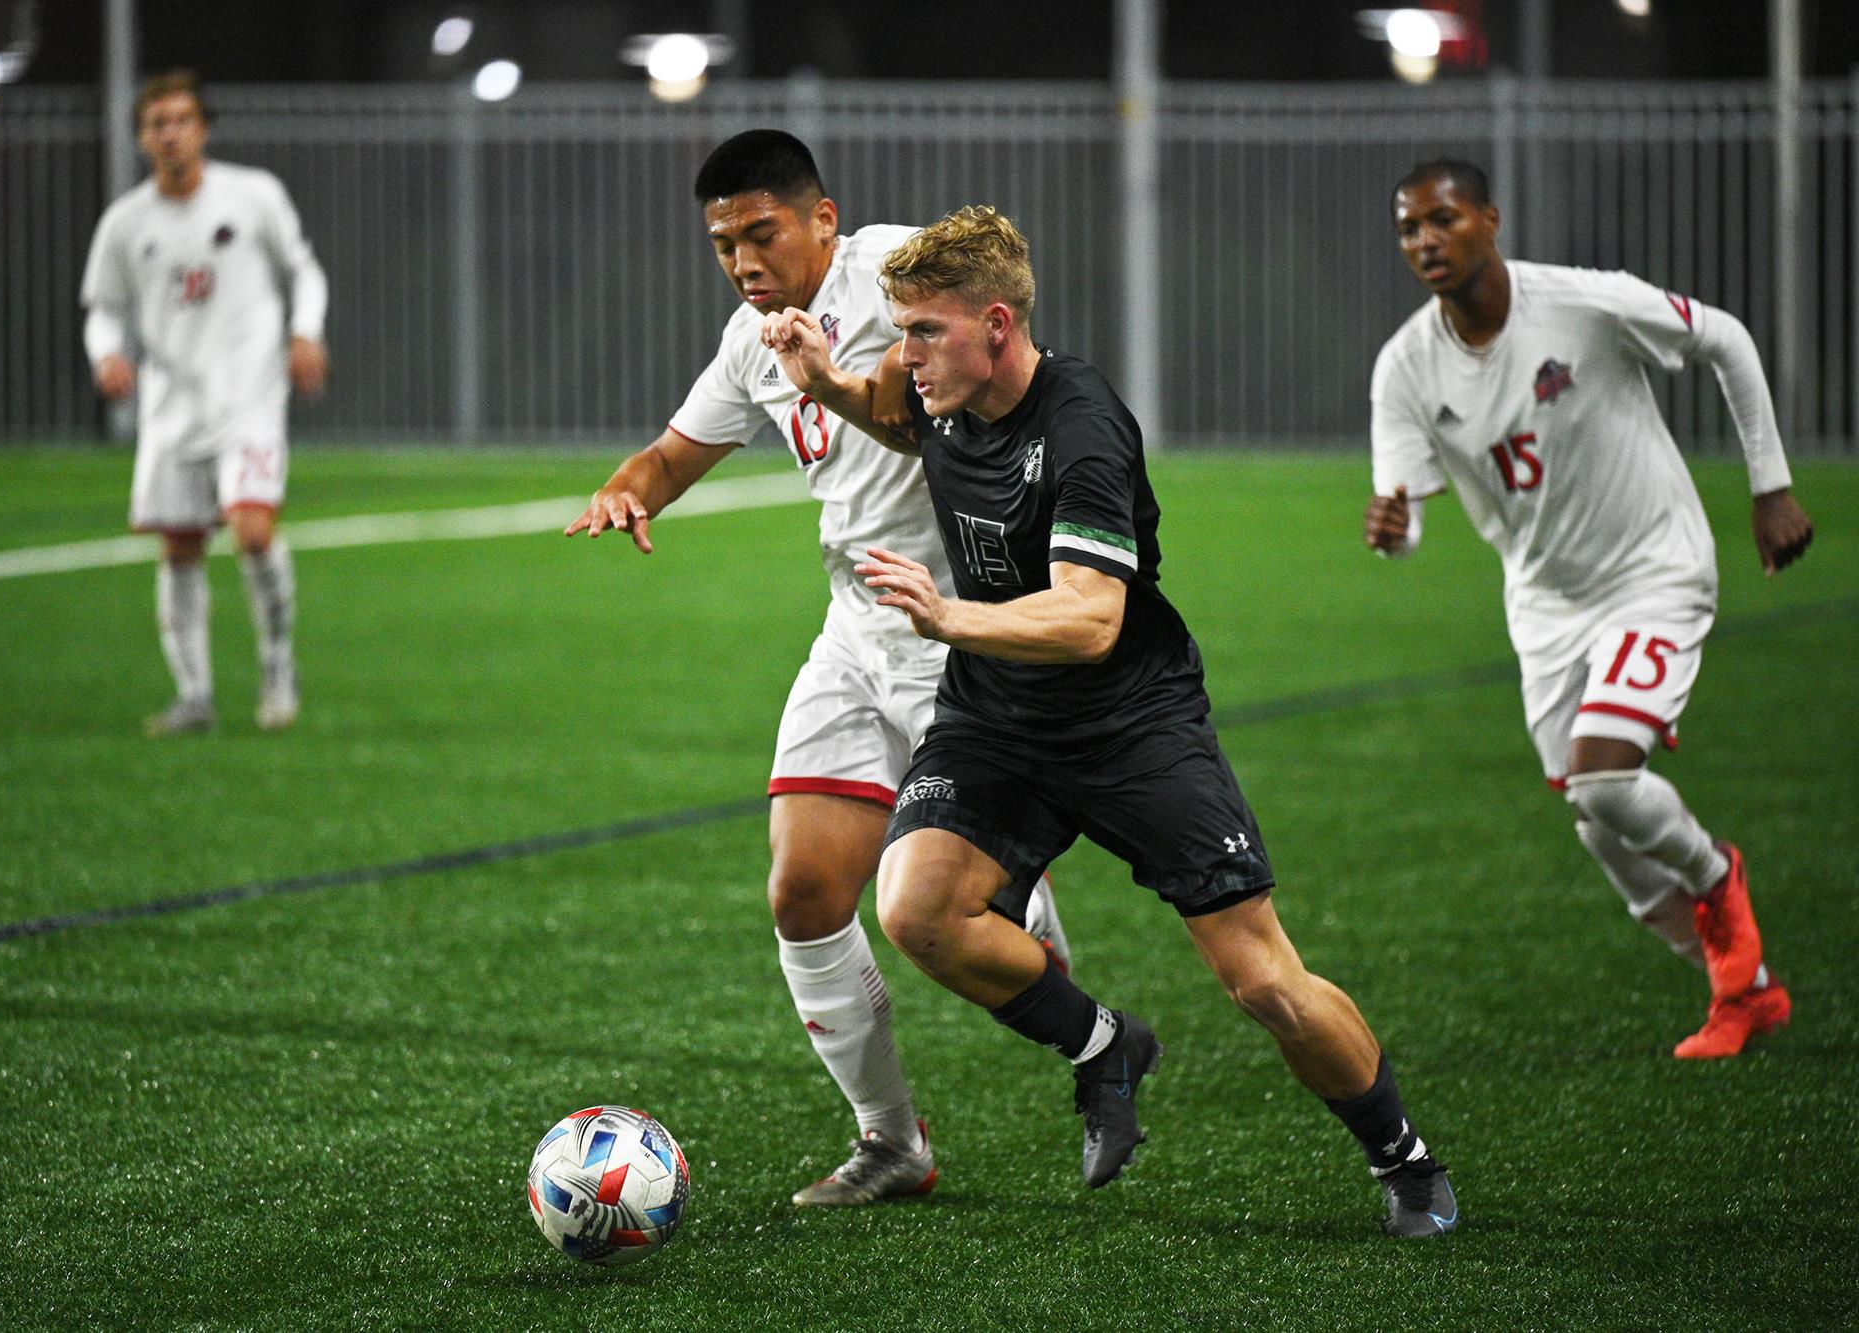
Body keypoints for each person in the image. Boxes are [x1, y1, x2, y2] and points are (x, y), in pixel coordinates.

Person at [761, 205, 1457, 1238]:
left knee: (1259, 978)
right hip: (997, 715)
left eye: (923, 331)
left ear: (995, 325)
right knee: (916, 911)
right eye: (897, 330)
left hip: (1128, 724)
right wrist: (819, 382)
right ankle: (1102, 1046)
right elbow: (900, 418)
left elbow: (1089, 620)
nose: (903, 354)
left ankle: (1400, 1155)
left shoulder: (1079, 426)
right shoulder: (932, 389)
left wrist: (949, 614)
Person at [563, 131, 1070, 1208]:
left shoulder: (897, 274)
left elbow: (911, 420)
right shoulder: (750, 338)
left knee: (961, 916)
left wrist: (826, 374)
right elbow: (671, 454)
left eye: (761, 233)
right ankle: (891, 1142)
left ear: (822, 220)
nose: (743, 261)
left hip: (959, 627)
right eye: (722, 244)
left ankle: (1072, 1008)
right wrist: (628, 492)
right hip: (852, 626)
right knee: (801, 891)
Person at [1366, 160, 1813, 1059]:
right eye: (1410, 228)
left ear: (1489, 219)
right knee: (1599, 819)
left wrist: (1770, 487)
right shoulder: (1405, 368)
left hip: (1656, 569)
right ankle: (1746, 989)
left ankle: (1719, 880)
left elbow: (1723, 336)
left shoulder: (1583, 303)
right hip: (1544, 608)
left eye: (1443, 220)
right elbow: (1406, 523)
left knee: (1607, 774)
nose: (1425, 241)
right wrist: (1395, 529)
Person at [82, 69, 328, 736]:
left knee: (252, 528)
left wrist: (305, 332)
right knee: (181, 545)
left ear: (203, 129)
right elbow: (103, 309)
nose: (170, 133)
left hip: (248, 394)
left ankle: (277, 666)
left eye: (181, 119)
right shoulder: (126, 224)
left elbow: (303, 269)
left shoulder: (252, 196)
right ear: (141, 137)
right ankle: (195, 696)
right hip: (172, 406)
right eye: (156, 122)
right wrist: (106, 353)